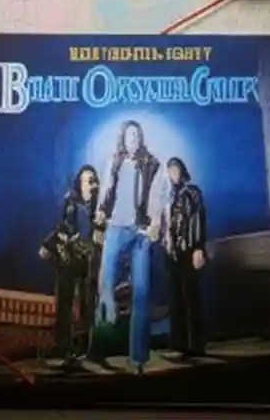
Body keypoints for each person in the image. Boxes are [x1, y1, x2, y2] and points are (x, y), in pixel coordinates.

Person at [94, 120, 163, 374]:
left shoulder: (153, 164)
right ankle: (105, 320)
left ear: (141, 138)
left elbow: (159, 195)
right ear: (123, 138)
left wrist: (156, 222)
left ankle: (138, 359)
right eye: (129, 135)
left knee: (142, 292)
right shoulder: (114, 162)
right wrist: (101, 212)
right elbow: (105, 191)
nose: (133, 139)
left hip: (140, 232)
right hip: (116, 228)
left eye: (137, 135)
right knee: (106, 281)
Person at [39, 165, 104, 364]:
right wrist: (50, 244)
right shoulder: (71, 202)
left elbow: (101, 237)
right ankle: (61, 347)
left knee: (86, 306)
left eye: (94, 180)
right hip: (69, 259)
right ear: (80, 183)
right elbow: (62, 227)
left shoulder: (100, 206)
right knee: (64, 305)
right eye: (88, 180)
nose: (92, 184)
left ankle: (82, 348)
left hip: (88, 262)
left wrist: (101, 227)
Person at [163, 157, 207, 358]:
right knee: (175, 297)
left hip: (188, 250)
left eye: (176, 169)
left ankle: (196, 344)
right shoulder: (168, 197)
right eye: (170, 170)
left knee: (191, 297)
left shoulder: (192, 192)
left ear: (182, 171)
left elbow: (198, 219)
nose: (173, 173)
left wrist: (198, 247)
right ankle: (178, 343)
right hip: (172, 253)